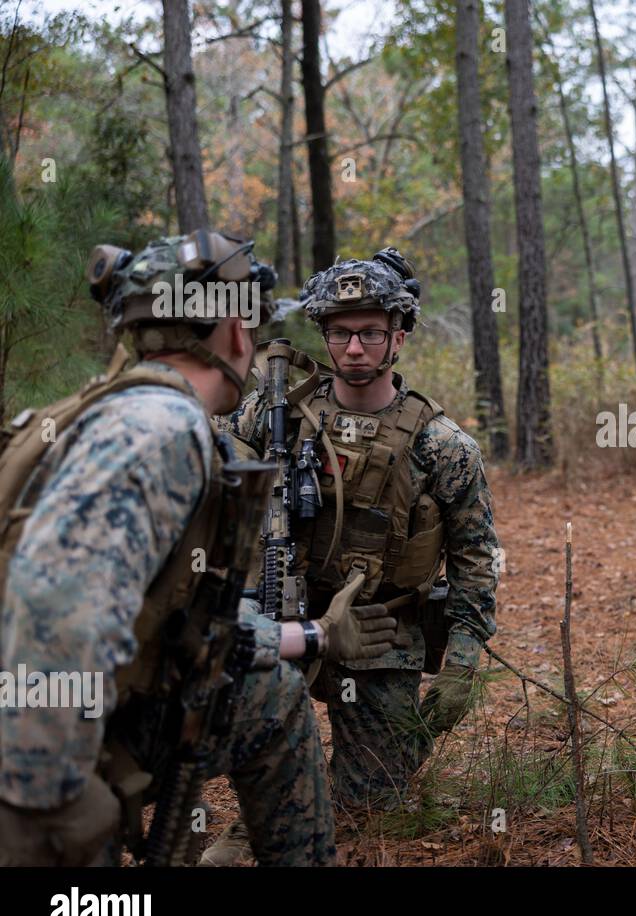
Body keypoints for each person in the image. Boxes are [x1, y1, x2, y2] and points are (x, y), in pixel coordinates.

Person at [0, 232, 401, 866]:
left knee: (269, 696)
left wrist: (316, 636)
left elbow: (194, 623)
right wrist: (45, 804)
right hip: (30, 767)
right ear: (239, 332)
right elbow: (54, 603)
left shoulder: (104, 411)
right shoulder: (162, 431)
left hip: (61, 714)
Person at [204, 248, 499, 864]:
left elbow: (475, 560)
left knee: (374, 803)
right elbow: (212, 481)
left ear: (399, 336)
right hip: (281, 617)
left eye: (370, 332)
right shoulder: (276, 414)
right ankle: (262, 813)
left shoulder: (444, 447)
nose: (355, 348)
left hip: (379, 633)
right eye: (340, 333)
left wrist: (463, 663)